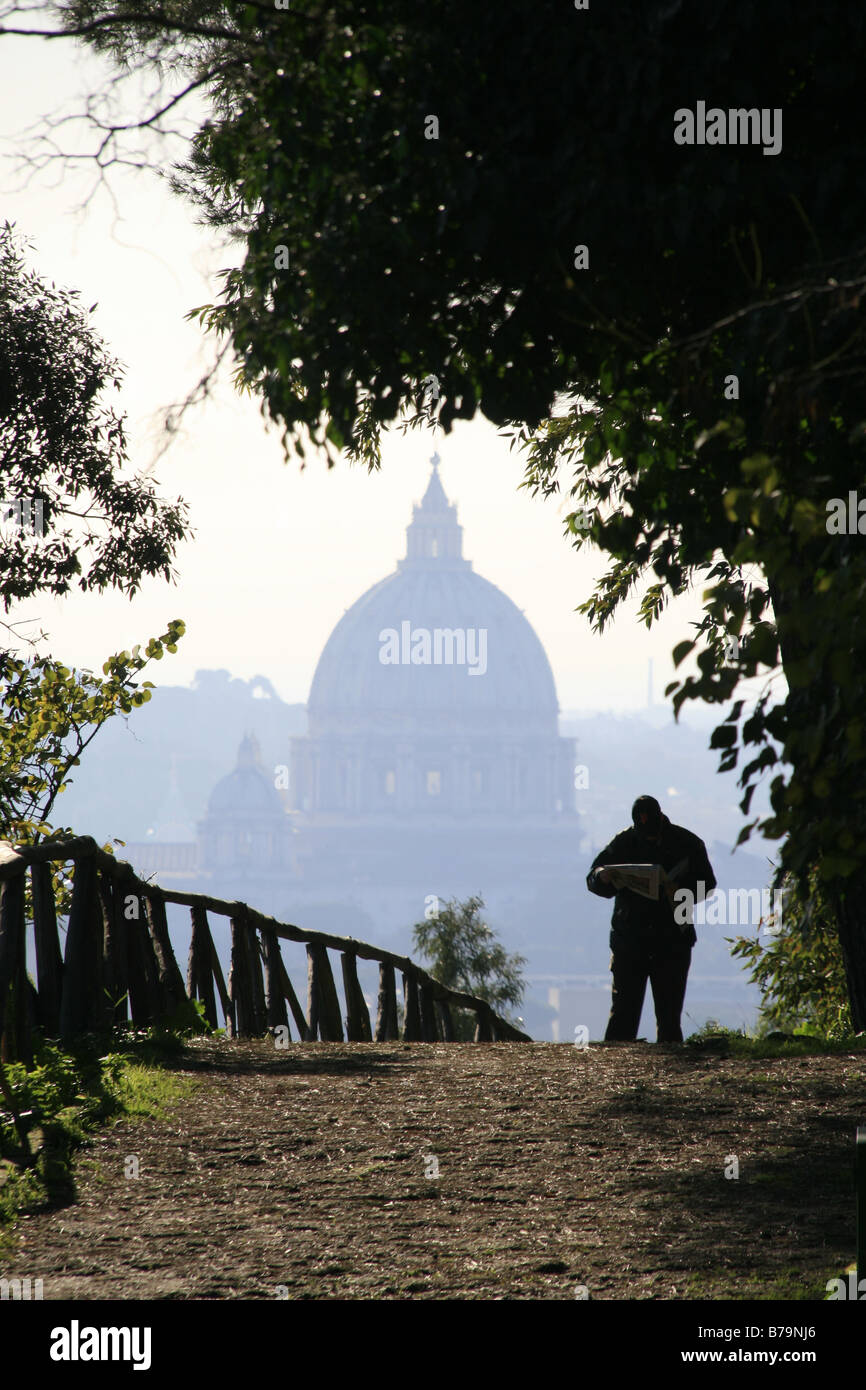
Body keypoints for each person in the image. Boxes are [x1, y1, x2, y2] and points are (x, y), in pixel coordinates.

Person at [587, 795, 716, 1043]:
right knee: (623, 1015)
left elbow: (708, 885)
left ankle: (669, 1075)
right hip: (630, 941)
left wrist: (680, 890)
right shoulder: (624, 842)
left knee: (669, 1019)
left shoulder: (687, 843)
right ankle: (613, 1071)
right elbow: (593, 877)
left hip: (671, 941)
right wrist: (602, 876)